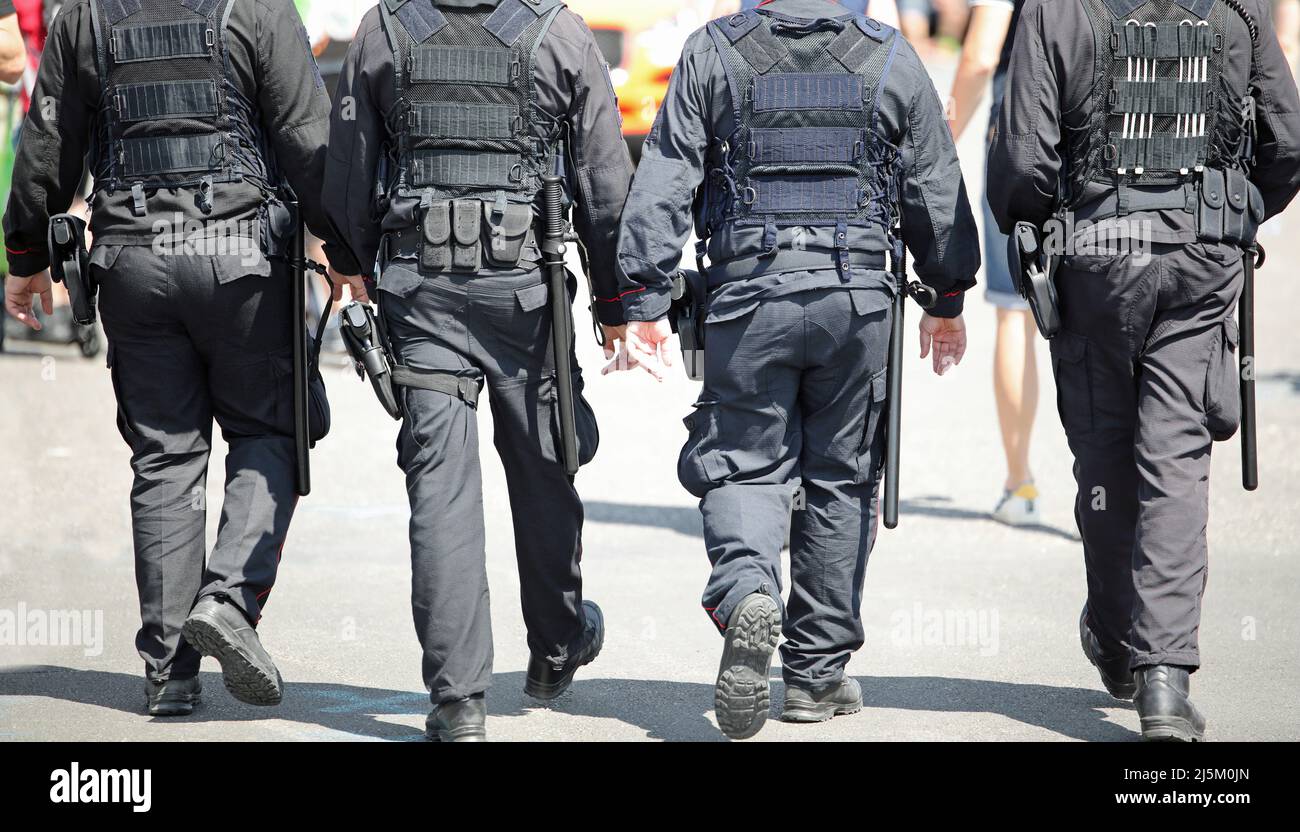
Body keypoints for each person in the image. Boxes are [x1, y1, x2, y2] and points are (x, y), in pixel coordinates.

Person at [609, 0, 979, 739]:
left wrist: (643, 299)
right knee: (841, 478)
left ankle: (749, 588)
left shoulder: (714, 50)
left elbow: (668, 172)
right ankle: (814, 677)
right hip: (856, 301)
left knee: (746, 464)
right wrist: (945, 296)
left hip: (750, 294)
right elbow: (935, 185)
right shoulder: (890, 55)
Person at [3, 0, 356, 716]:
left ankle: (168, 671)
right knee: (270, 431)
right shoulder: (255, 7)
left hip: (130, 261)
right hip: (239, 262)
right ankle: (229, 600)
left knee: (165, 455)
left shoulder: (84, 14)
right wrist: (346, 250)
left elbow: (49, 137)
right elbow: (308, 139)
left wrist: (26, 253)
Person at [989, 0, 1300, 740]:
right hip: (1200, 260)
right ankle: (1162, 677)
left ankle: (1121, 644)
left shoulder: (1054, 9)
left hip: (1098, 256)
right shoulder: (1239, 8)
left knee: (1103, 456)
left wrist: (1039, 223)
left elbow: (1024, 161)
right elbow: (1286, 144)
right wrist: (1231, 211)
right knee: (1176, 462)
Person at [323, 0, 633, 742]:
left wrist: (350, 265)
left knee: (441, 489)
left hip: (421, 289)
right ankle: (555, 647)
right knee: (544, 462)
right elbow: (604, 176)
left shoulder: (384, 29)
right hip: (524, 289)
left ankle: (458, 701)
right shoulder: (555, 29)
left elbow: (346, 169)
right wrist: (620, 298)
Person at [947, 0, 1042, 525]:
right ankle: (1127, 485)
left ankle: (1020, 482)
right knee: (1112, 306)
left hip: (1021, 130)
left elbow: (982, 56)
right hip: (1101, 128)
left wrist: (942, 142)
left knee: (1015, 312)